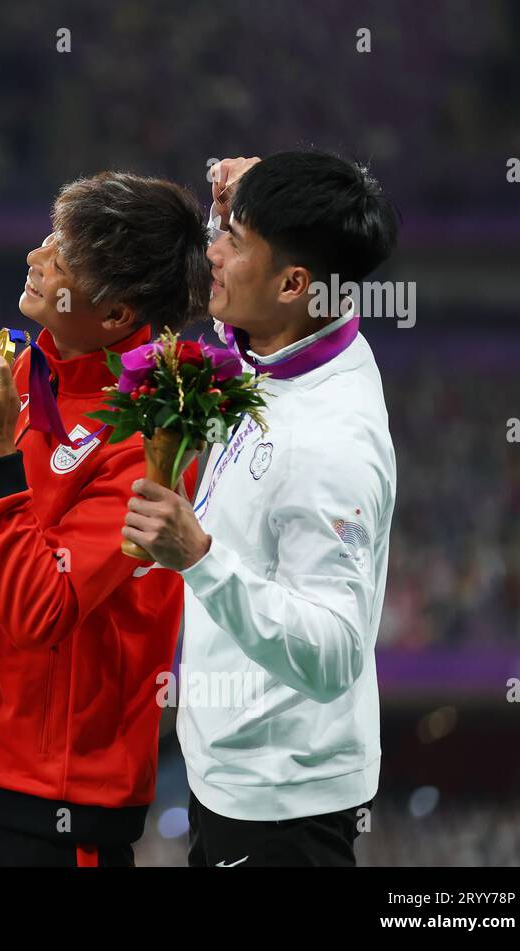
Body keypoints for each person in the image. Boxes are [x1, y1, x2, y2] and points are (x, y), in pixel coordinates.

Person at [0, 171, 211, 866]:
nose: (36, 256)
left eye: (64, 255)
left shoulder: (152, 438)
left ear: (115, 315)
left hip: (56, 803)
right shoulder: (31, 374)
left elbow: (39, 608)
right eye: (52, 236)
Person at [121, 150, 399, 866]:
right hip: (238, 771)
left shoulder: (329, 445)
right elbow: (265, 285)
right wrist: (241, 202)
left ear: (295, 282)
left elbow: (338, 652)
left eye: (232, 241)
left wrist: (201, 559)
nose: (210, 252)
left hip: (282, 807)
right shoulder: (292, 340)